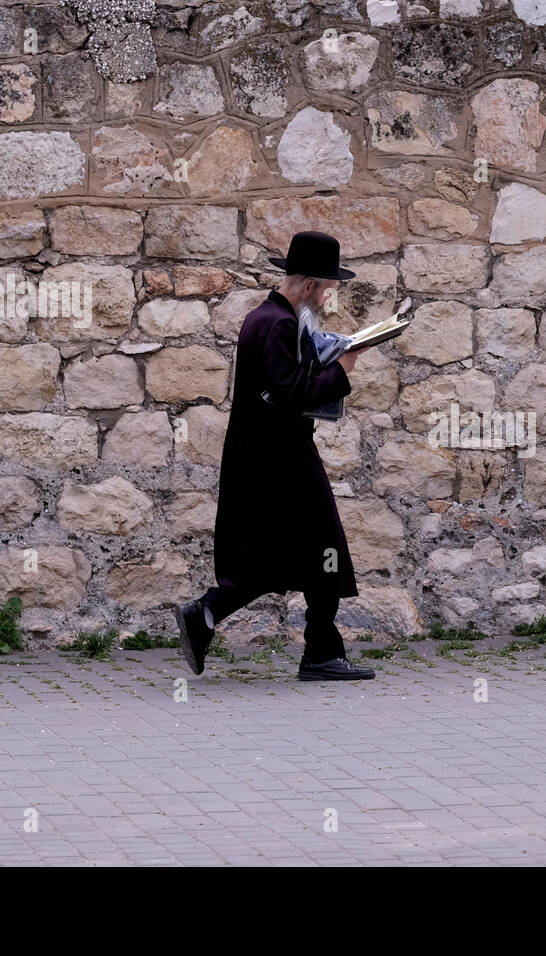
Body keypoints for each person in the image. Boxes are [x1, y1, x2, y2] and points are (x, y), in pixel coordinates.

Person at [173, 231, 374, 681]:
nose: (325, 301)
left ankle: (206, 614)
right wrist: (343, 368)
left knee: (278, 556)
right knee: (325, 550)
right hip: (282, 459)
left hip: (265, 457)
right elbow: (289, 395)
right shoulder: (280, 323)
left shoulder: (265, 318)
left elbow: (281, 386)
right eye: (325, 291)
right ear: (308, 287)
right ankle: (320, 652)